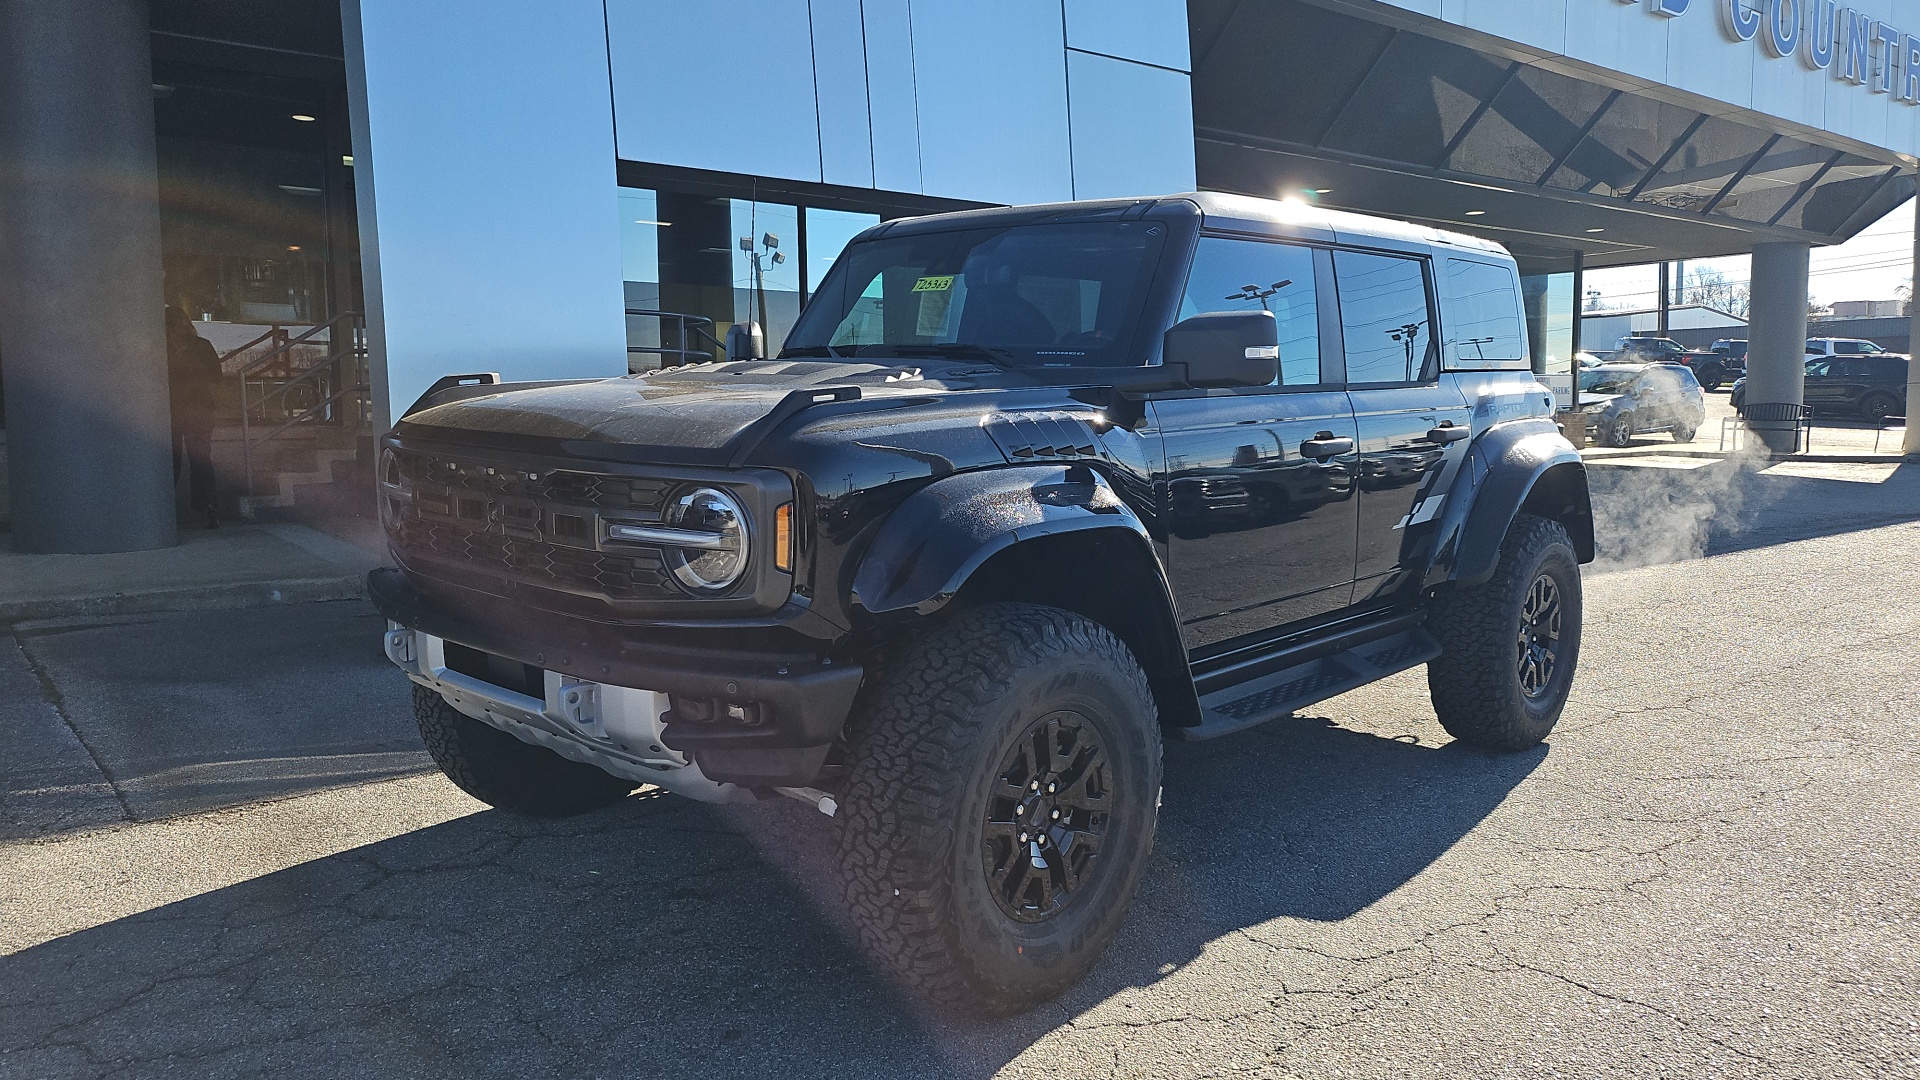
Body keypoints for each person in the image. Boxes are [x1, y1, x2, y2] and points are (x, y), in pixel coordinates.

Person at [165, 305, 223, 527]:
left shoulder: (168, 349)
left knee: (178, 460)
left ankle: (202, 507)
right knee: (196, 459)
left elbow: (215, 377)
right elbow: (216, 377)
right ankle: (207, 507)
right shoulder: (201, 346)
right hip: (192, 409)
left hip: (186, 409)